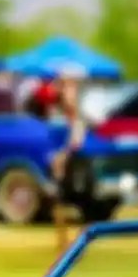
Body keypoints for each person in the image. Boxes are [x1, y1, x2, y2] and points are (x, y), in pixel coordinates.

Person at [49, 65, 88, 251]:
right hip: (62, 158)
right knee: (61, 199)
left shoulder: (71, 109)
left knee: (75, 199)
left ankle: (74, 241)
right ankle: (64, 241)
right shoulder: (58, 110)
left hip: (72, 157)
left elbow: (76, 137)